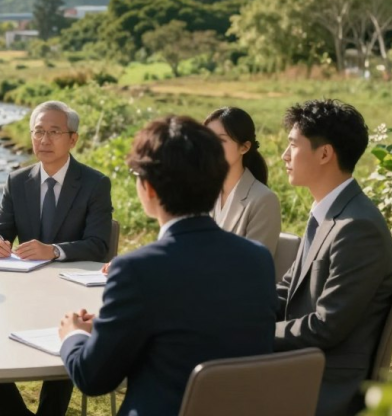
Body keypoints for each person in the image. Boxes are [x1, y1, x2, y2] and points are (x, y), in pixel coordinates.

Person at [58, 115, 276, 415]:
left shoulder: (136, 270)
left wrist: (73, 334)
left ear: (148, 188)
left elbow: (91, 377)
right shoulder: (258, 259)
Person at [0, 100, 114, 416]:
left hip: (73, 292)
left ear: (73, 139)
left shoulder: (95, 183)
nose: (44, 140)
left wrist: (54, 250)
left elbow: (98, 245)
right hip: (21, 292)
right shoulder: (17, 180)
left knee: (72, 333)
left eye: (54, 132)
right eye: (38, 132)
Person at [276, 99, 392, 416]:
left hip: (325, 384)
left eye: (292, 145)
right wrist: (232, 315)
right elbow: (286, 290)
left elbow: (327, 326)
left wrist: (251, 333)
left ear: (325, 153)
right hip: (301, 364)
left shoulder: (357, 227)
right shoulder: (329, 212)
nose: (284, 156)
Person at [204, 107, 282, 257]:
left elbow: (255, 265)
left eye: (220, 140)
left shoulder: (263, 200)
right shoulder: (204, 193)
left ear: (244, 147)